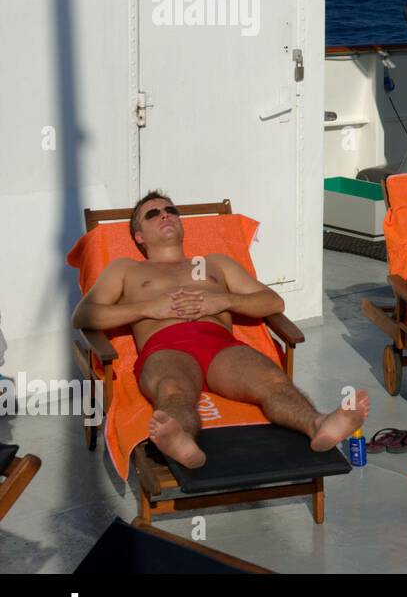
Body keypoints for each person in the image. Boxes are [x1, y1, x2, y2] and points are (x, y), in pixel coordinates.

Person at [72, 191, 368, 468]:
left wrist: (221, 300)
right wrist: (148, 309)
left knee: (273, 381)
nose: (165, 215)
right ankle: (180, 440)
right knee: (173, 389)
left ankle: (318, 424)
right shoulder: (127, 270)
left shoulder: (215, 263)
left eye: (170, 210)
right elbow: (84, 315)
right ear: (139, 236)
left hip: (220, 347)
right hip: (166, 346)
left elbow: (272, 302)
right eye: (152, 214)